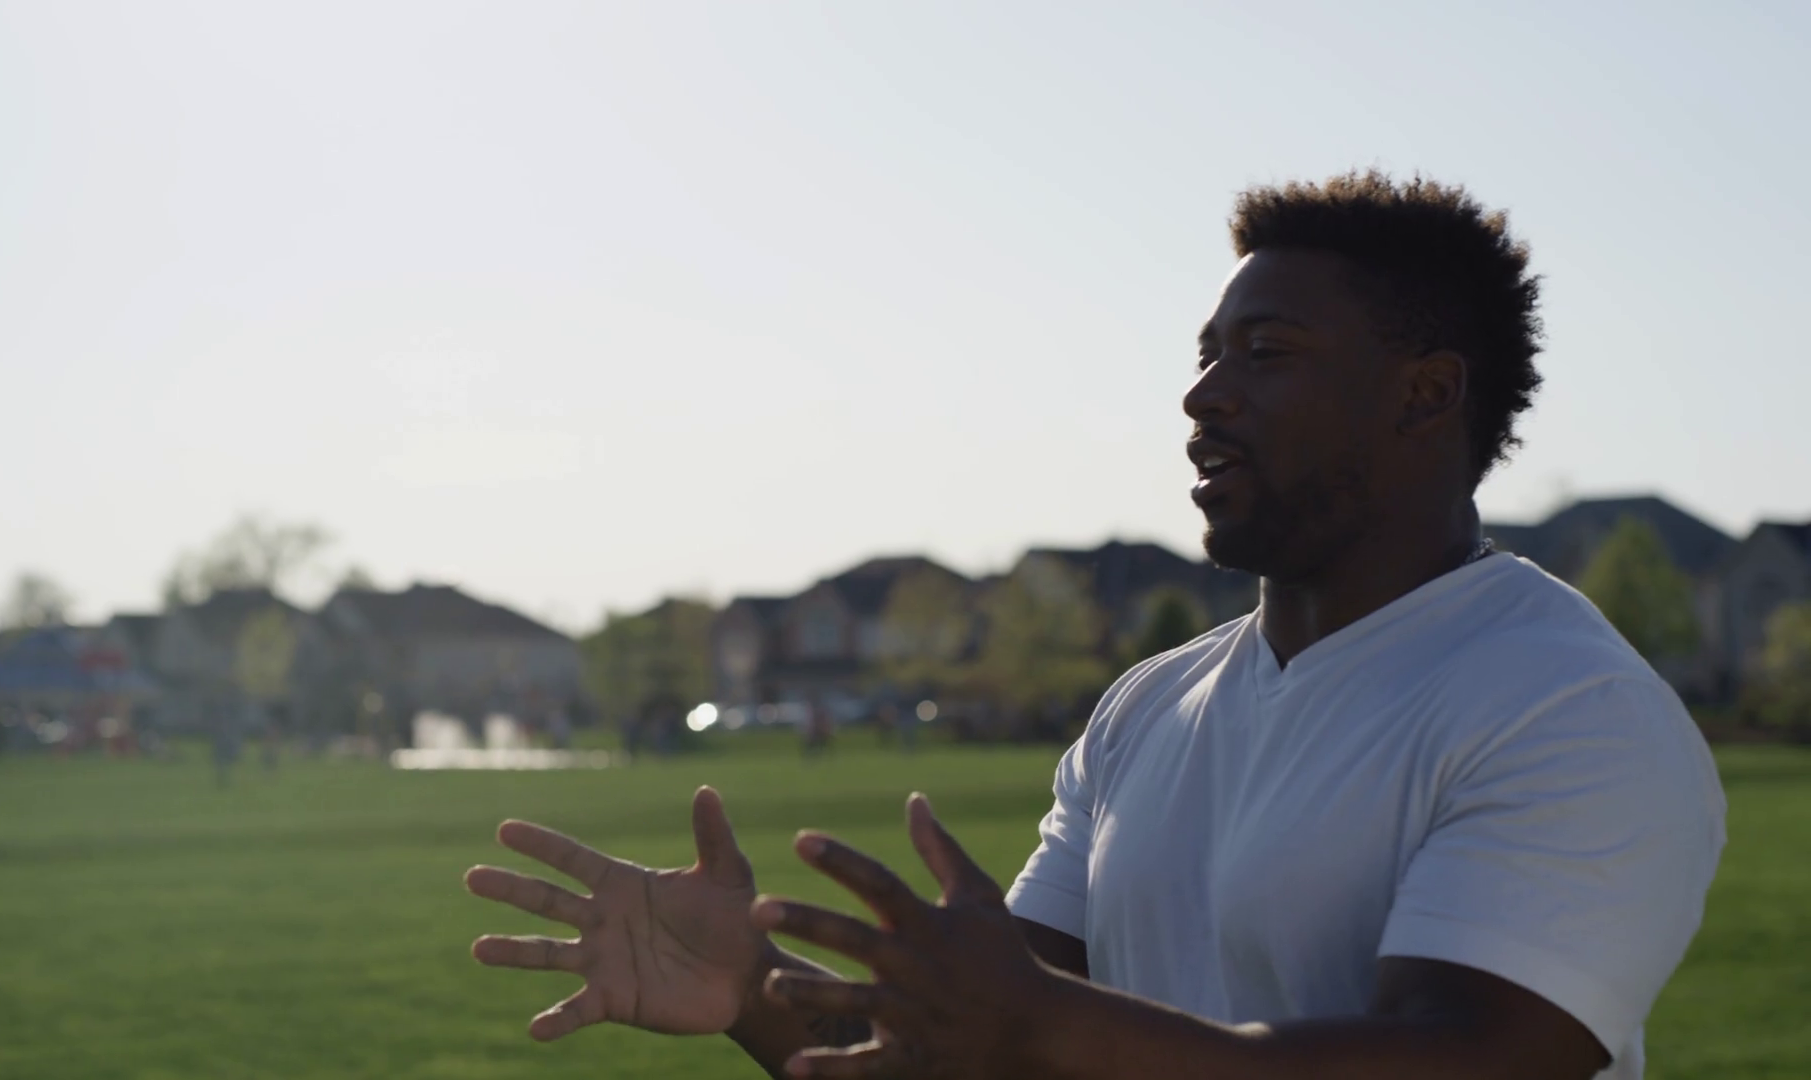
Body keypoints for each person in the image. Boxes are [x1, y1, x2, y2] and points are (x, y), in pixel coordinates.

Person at [463, 172, 1724, 1080]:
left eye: (1263, 353)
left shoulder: (1563, 707)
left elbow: (1468, 1062)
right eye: (1205, 352)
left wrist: (1042, 1027)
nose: (1201, 395)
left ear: (1426, 394)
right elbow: (973, 1047)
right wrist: (749, 989)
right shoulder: (1145, 711)